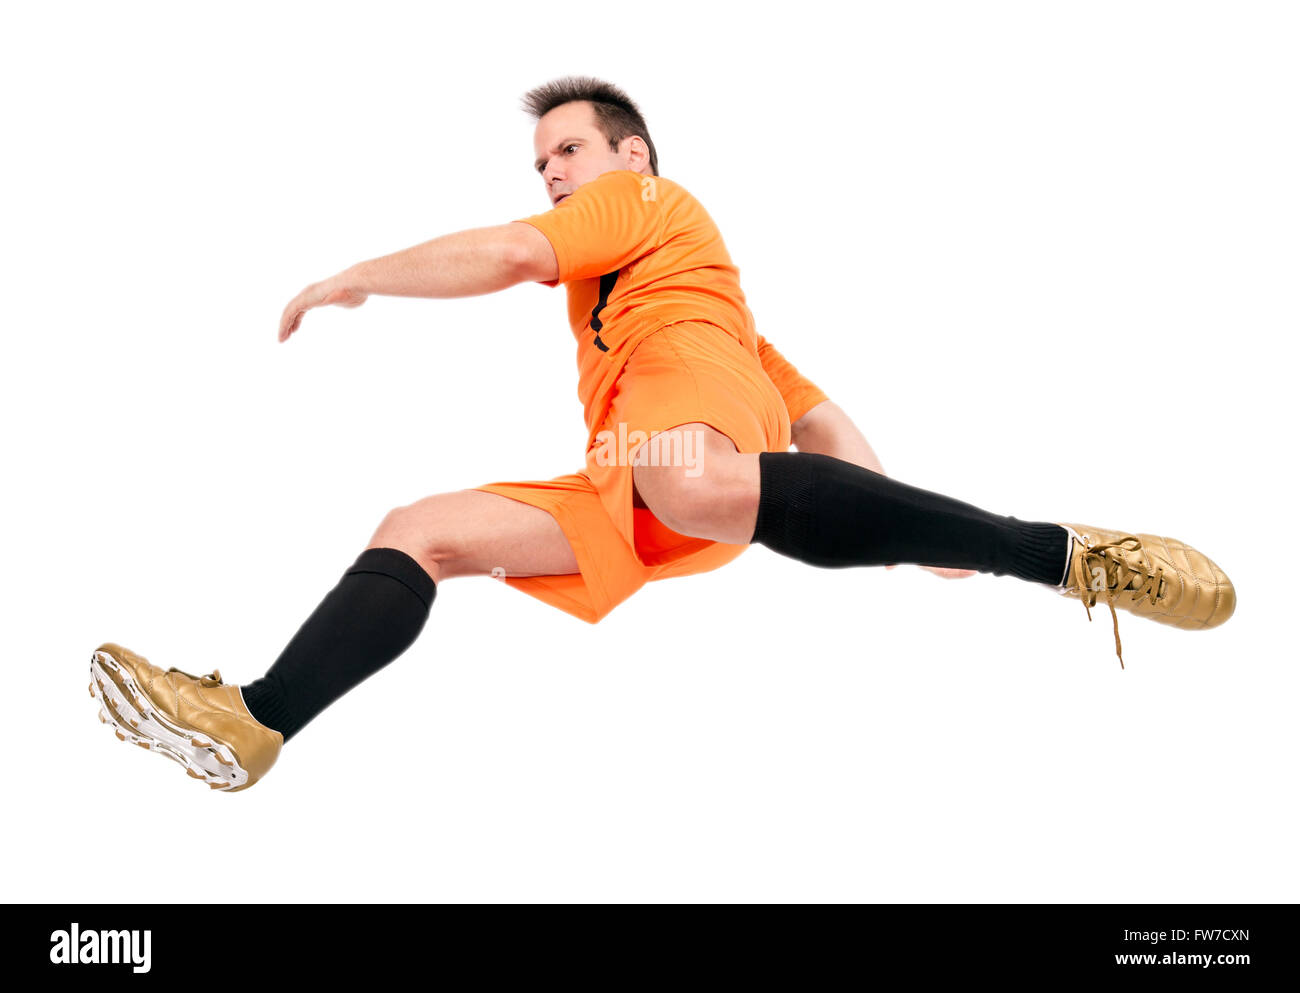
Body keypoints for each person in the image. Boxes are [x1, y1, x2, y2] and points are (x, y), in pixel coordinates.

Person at [88, 76, 1236, 793]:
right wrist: (913, 532)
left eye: (566, 156)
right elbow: (814, 414)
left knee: (684, 478)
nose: (552, 180)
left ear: (629, 157)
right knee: (419, 530)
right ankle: (257, 722)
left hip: (676, 439)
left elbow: (507, 254)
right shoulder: (713, 304)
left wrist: (356, 278)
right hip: (636, 469)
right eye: (541, 167)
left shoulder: (647, 207)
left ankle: (1070, 554)